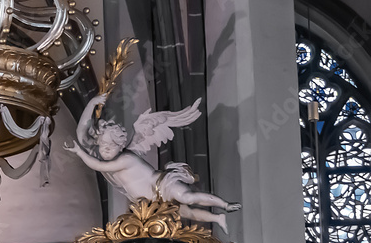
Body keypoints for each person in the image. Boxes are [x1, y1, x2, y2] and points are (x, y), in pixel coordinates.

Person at [65, 93, 241, 231]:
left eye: (109, 148)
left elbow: (98, 165)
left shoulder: (125, 159)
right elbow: (82, 132)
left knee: (187, 197)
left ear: (118, 146)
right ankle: (218, 218)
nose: (105, 151)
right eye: (103, 148)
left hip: (161, 185)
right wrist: (91, 103)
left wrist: (79, 152)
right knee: (187, 212)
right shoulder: (100, 153)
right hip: (152, 203)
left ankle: (225, 205)